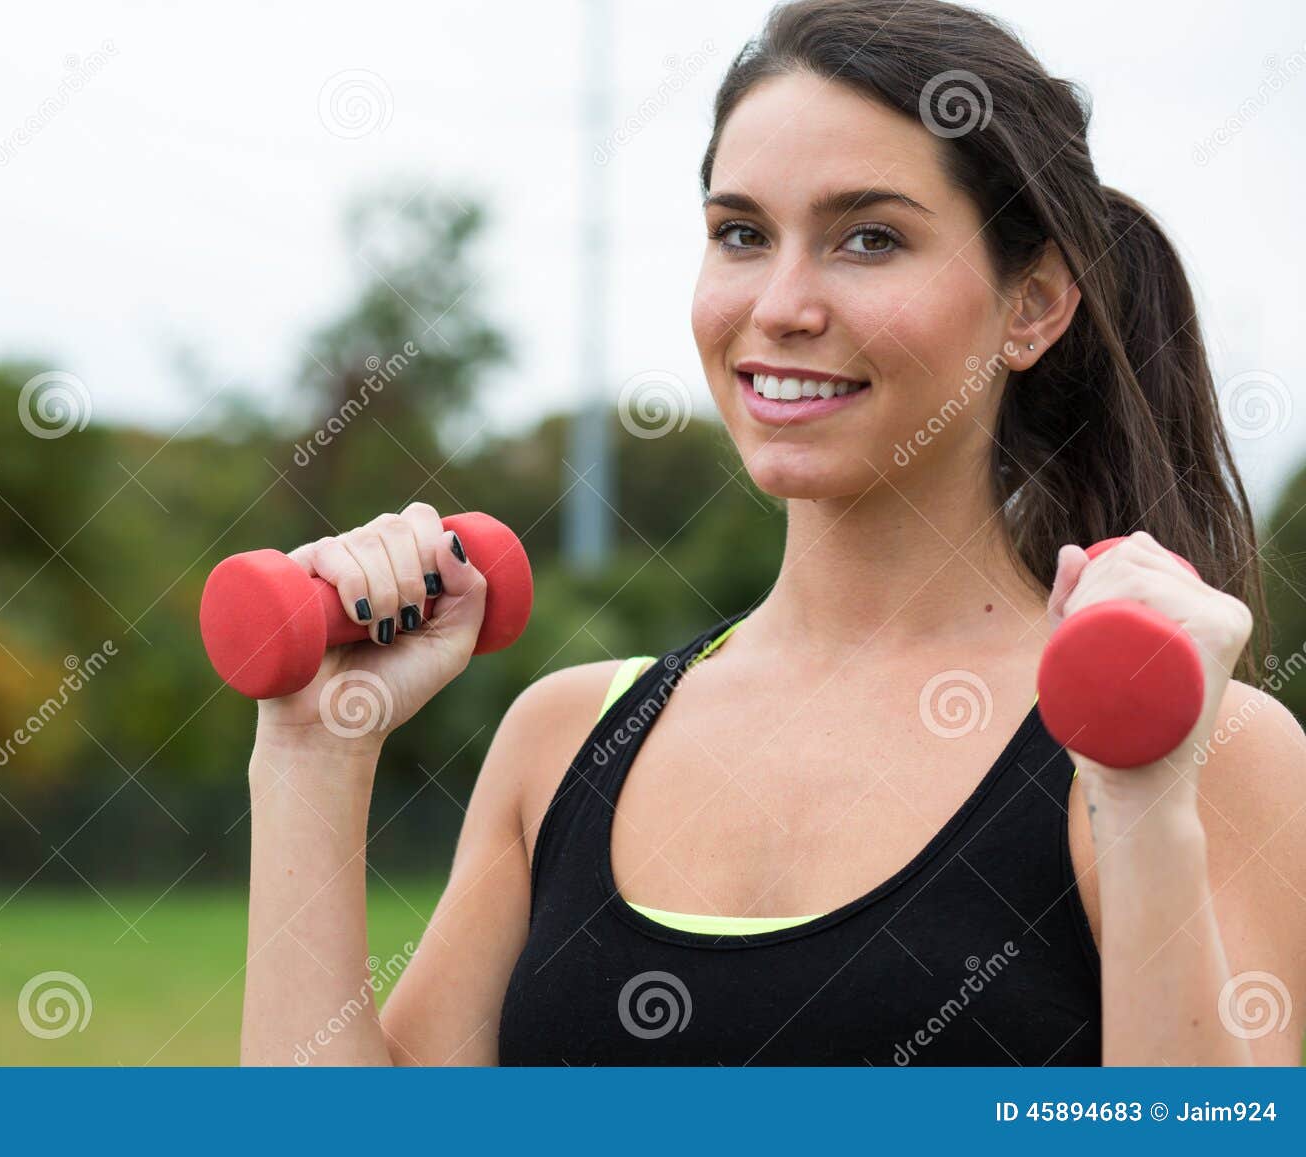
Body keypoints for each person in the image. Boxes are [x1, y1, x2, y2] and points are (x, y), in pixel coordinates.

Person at [239, 0, 1306, 1065]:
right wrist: (309, 754)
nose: (782, 304)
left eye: (870, 238)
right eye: (741, 234)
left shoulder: (1194, 744)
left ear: (1031, 305)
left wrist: (1143, 808)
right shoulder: (559, 743)